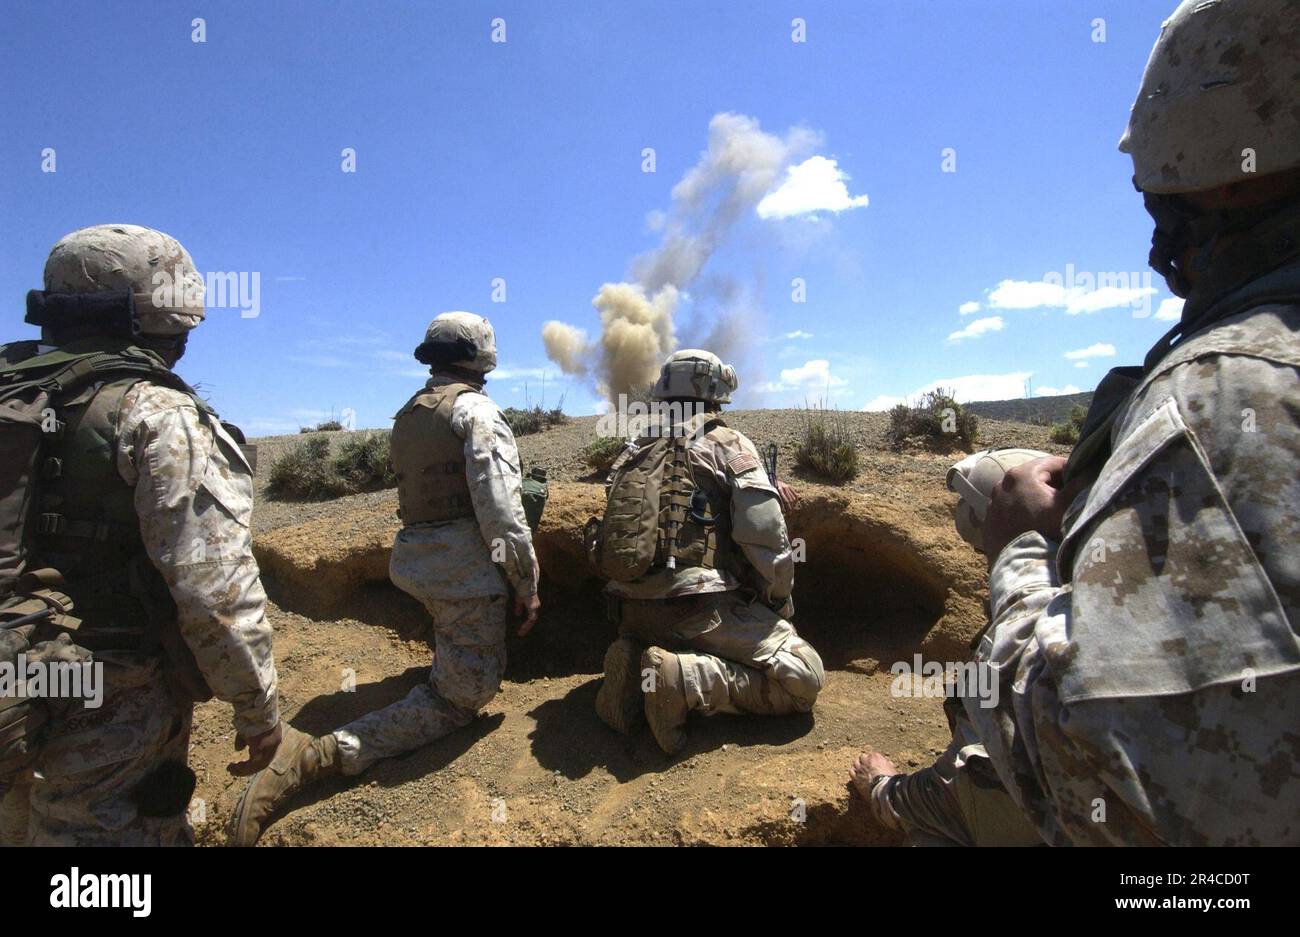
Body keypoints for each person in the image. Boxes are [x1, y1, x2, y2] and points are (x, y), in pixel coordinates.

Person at [854, 0, 1300, 845]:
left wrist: (1023, 547)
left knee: (955, 779)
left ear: (1225, 168)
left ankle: (887, 801)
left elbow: (1096, 765)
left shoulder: (1225, 387)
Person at [0, 224, 281, 845]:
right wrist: (257, 708)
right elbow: (215, 590)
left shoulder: (12, 395)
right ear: (164, 320)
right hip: (102, 700)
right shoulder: (157, 412)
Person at [229, 312, 539, 845]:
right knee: (461, 702)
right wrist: (527, 584)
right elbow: (502, 512)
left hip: (419, 562)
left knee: (457, 643)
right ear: (483, 355)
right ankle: (316, 757)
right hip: (462, 572)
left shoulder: (410, 412)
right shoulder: (478, 412)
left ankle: (451, 661)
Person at [591, 349, 824, 755]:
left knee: (668, 628)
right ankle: (682, 680)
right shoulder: (727, 443)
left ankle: (632, 666)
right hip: (699, 612)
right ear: (716, 393)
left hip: (629, 612)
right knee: (804, 678)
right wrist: (777, 602)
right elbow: (767, 538)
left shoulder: (634, 449)